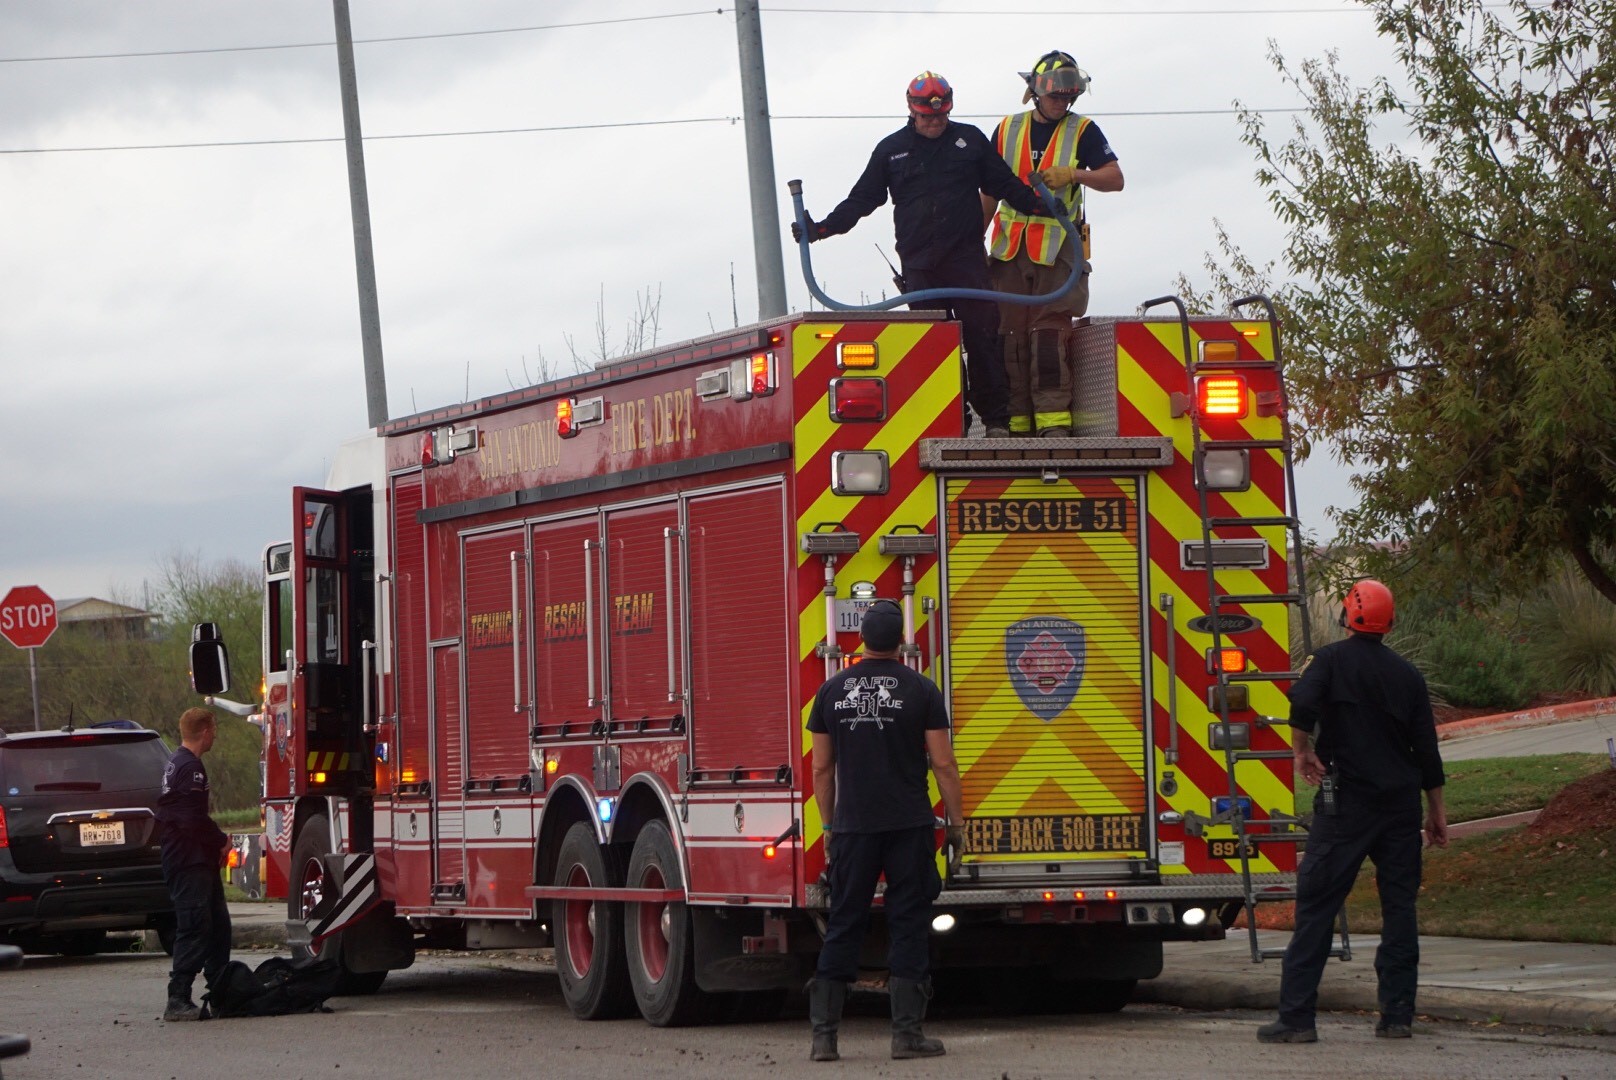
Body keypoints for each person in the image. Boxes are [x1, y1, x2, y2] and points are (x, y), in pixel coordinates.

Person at [794, 71, 1052, 438]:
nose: (934, 122)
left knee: (983, 338)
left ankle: (996, 421)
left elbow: (1004, 185)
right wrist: (822, 229)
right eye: (928, 117)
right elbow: (863, 198)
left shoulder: (969, 140)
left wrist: (1039, 206)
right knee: (936, 345)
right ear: (912, 111)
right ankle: (952, 420)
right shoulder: (891, 149)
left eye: (941, 115)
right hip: (920, 265)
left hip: (965, 261)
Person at [1258, 580, 1448, 1044]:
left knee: (1318, 907)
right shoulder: (1408, 674)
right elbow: (1426, 748)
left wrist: (1301, 751)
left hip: (1345, 805)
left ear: (1347, 617)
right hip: (1399, 806)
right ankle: (1397, 1016)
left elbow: (1301, 702)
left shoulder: (1328, 662)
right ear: (1390, 621)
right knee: (1400, 909)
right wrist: (1436, 811)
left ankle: (1297, 1019)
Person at [805, 600, 964, 1062]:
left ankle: (824, 1038)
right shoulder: (921, 690)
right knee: (909, 922)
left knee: (845, 923)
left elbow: (821, 768)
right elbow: (944, 764)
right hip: (909, 826)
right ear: (900, 642)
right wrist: (956, 824)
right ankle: (907, 1035)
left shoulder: (831, 693)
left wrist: (831, 826)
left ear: (862, 640)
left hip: (855, 828)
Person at [980, 50, 1123, 438]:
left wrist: (1075, 173)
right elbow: (989, 194)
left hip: (1058, 247)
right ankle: (1014, 422)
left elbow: (1115, 178)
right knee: (1007, 335)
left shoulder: (1083, 130)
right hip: (1009, 248)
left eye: (1068, 97)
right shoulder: (1007, 129)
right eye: (1056, 96)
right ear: (1035, 92)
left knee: (1047, 335)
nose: (1062, 103)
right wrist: (969, 240)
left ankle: (1053, 422)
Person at [158, 706, 233, 1022]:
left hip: (197, 860)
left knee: (218, 926)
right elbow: (191, 820)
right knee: (194, 926)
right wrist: (221, 839)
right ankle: (178, 998)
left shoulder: (178, 763)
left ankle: (221, 993)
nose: (215, 734)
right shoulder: (191, 769)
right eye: (213, 729)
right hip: (189, 861)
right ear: (205, 730)